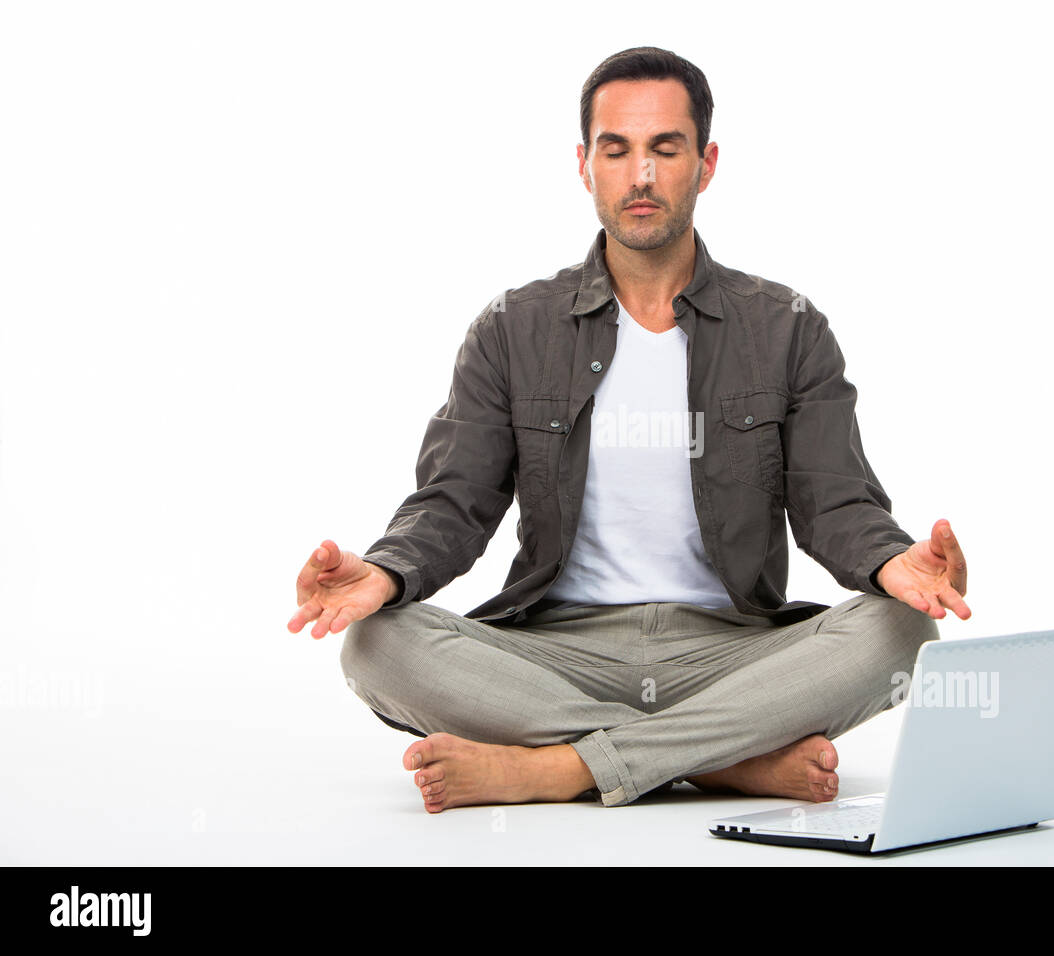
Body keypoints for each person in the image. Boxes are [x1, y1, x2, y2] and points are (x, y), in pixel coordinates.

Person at [287, 46, 971, 813]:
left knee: (901, 635)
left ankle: (561, 769)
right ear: (585, 165)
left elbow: (835, 503)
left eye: (664, 149)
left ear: (706, 163)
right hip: (556, 651)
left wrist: (895, 567)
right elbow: (454, 500)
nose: (640, 175)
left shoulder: (788, 328)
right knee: (377, 644)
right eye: (617, 150)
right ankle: (721, 761)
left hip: (730, 648)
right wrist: (385, 573)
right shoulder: (513, 327)